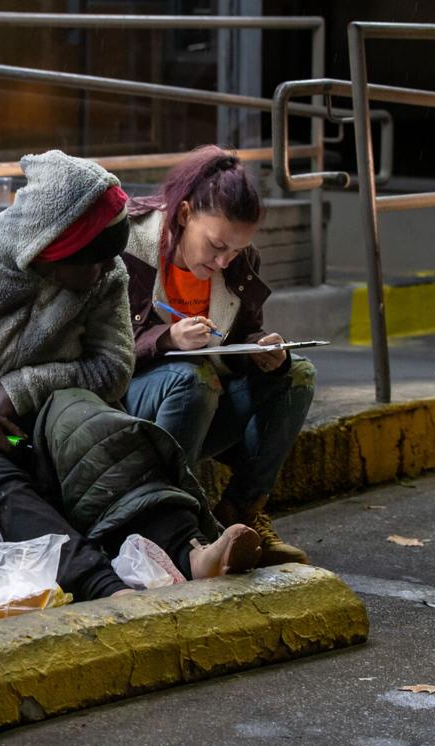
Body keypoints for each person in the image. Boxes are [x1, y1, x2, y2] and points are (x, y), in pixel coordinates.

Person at [0, 149, 260, 604]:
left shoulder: (106, 272)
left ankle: (190, 552)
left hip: (55, 421)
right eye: (90, 262)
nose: (103, 273)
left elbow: (114, 367)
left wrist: (20, 390)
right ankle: (102, 585)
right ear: (46, 247)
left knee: (111, 439)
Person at [121, 145, 316, 566]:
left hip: (203, 406)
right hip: (130, 404)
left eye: (235, 251)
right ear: (186, 214)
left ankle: (243, 514)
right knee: (191, 379)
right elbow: (95, 346)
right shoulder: (129, 242)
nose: (224, 259)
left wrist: (261, 350)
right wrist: (166, 338)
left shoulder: (238, 261)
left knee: (297, 374)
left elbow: (241, 335)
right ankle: (174, 526)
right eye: (216, 246)